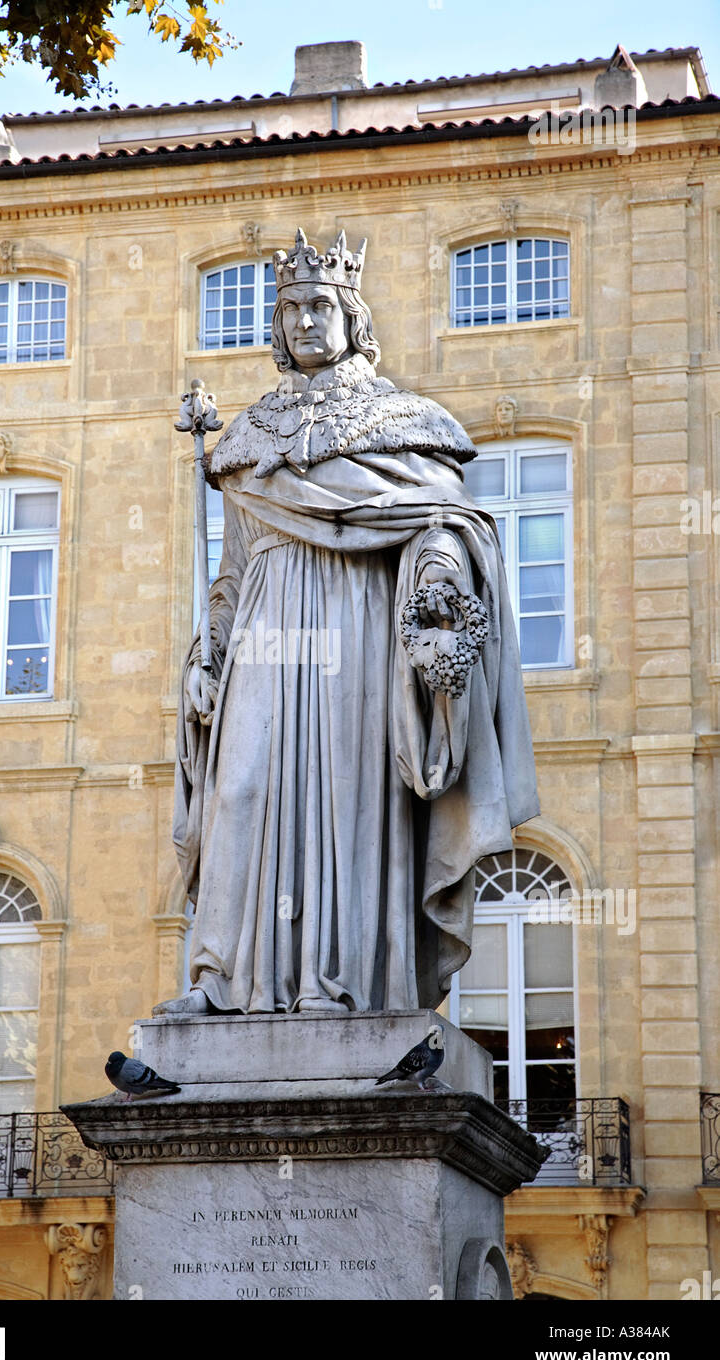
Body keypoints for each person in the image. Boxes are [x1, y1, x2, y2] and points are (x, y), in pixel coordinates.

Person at [155, 229, 538, 1017]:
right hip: (266, 631)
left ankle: (341, 981)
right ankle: (220, 979)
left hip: (355, 627)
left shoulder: (406, 422)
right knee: (242, 788)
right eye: (289, 308)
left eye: (320, 305)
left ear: (352, 315)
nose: (303, 321)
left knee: (344, 798)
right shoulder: (246, 438)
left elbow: (445, 524)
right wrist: (211, 647)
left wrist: (435, 587)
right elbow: (231, 569)